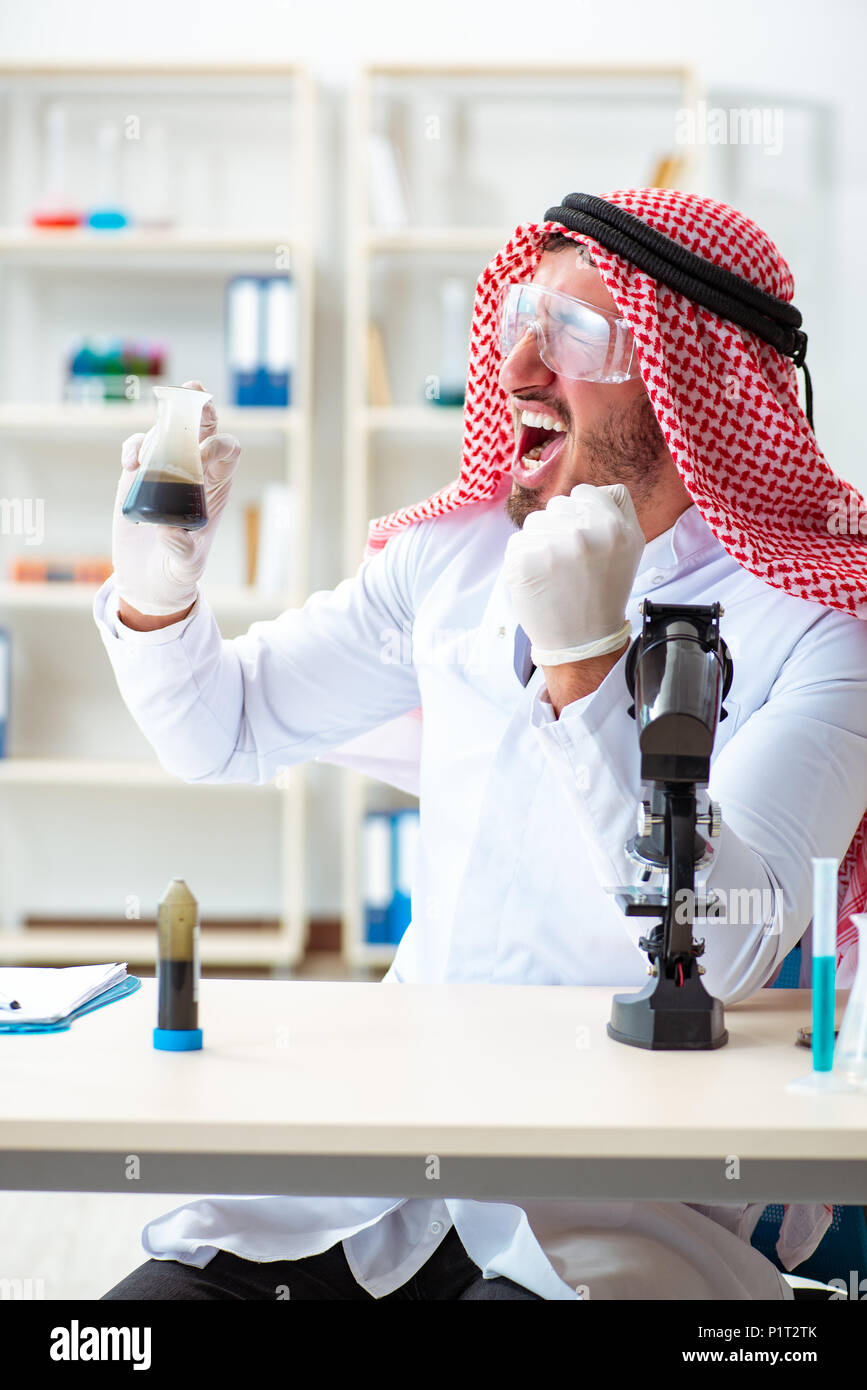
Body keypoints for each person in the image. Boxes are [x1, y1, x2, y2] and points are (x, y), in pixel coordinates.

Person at [95, 187, 867, 1300]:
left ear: (693, 375)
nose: (517, 370)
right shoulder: (450, 560)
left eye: (579, 337)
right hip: (379, 1156)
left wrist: (591, 667)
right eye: (517, 325)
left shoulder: (818, 628)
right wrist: (157, 585)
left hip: (613, 1195)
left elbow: (732, 943)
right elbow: (225, 730)